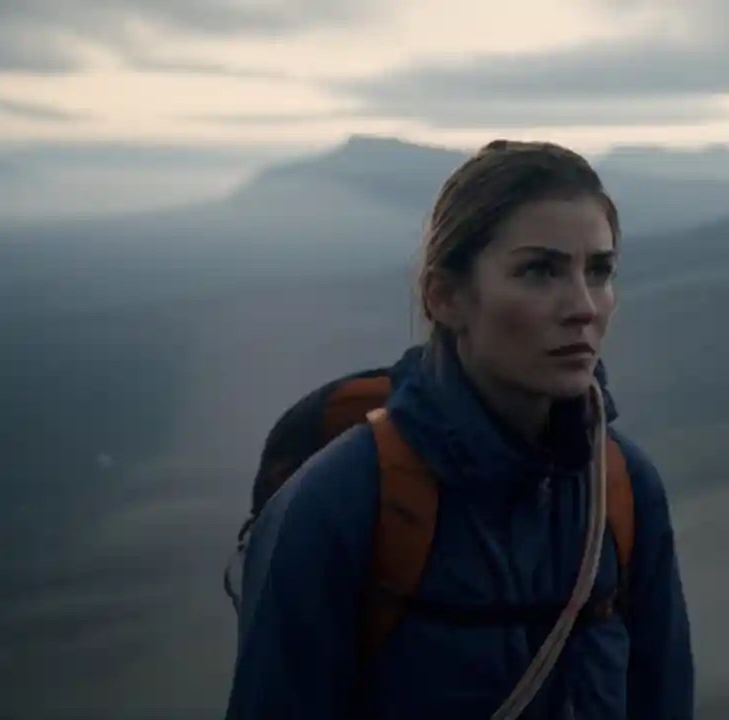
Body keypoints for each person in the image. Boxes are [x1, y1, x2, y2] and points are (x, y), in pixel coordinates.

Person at [226, 140, 695, 718]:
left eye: (599, 271)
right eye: (539, 271)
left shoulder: (625, 489)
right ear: (445, 296)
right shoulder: (342, 503)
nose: (583, 306)